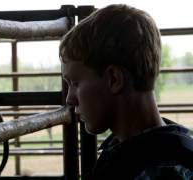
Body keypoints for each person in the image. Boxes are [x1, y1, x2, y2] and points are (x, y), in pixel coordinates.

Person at [60, 4, 193, 179]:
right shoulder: (174, 147)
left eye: (75, 83)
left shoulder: (155, 171)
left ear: (114, 79)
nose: (70, 99)